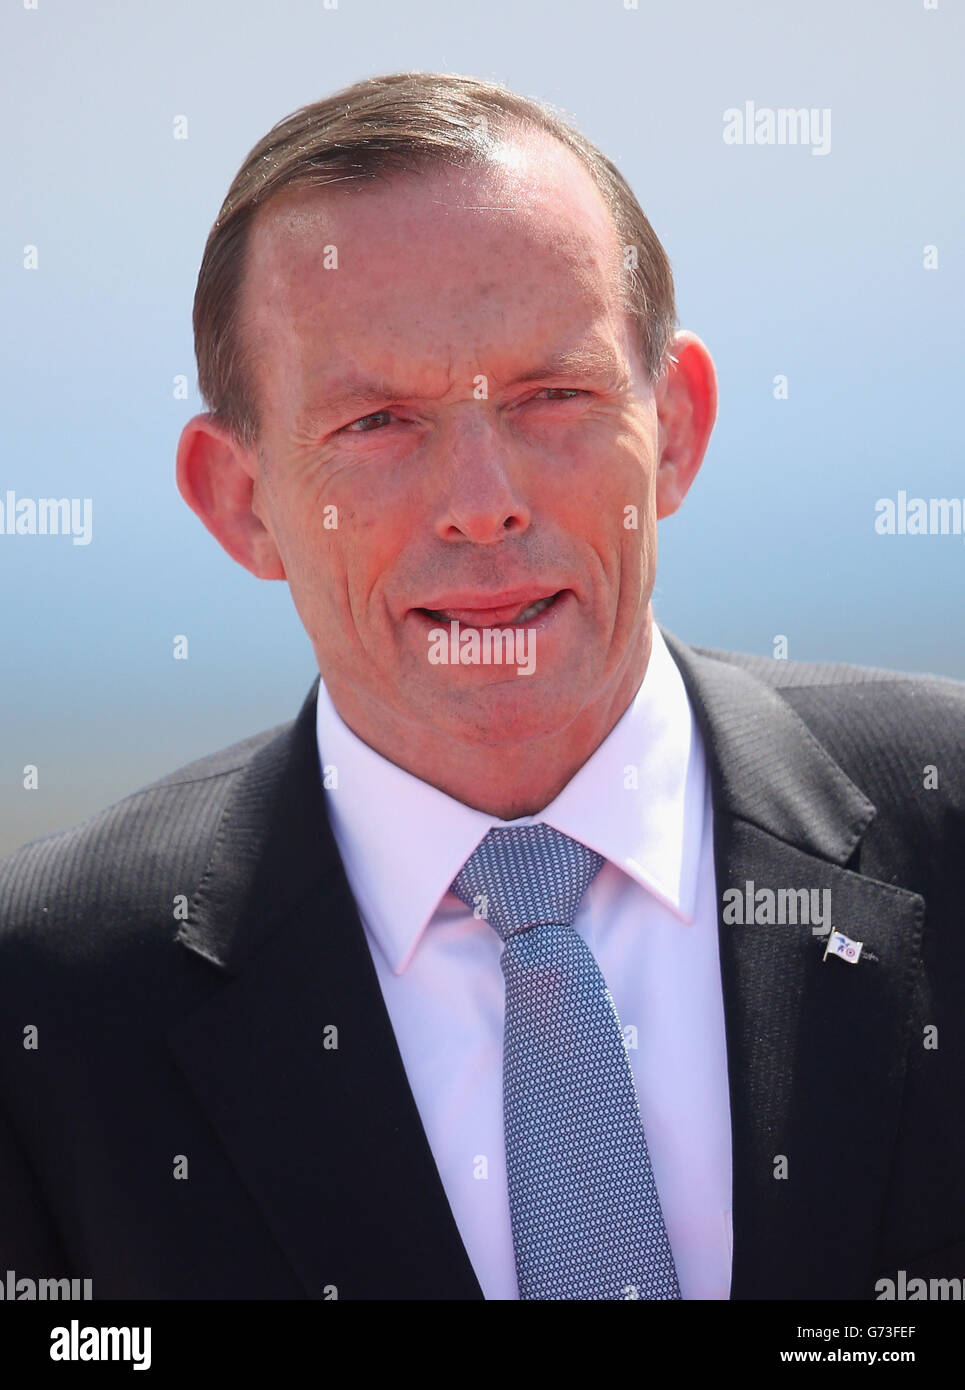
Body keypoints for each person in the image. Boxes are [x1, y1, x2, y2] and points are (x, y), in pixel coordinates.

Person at [1, 70, 963, 1302]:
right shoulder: (46, 1008)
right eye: (377, 422)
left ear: (673, 428)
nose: (480, 502)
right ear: (239, 503)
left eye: (549, 395)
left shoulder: (944, 829)